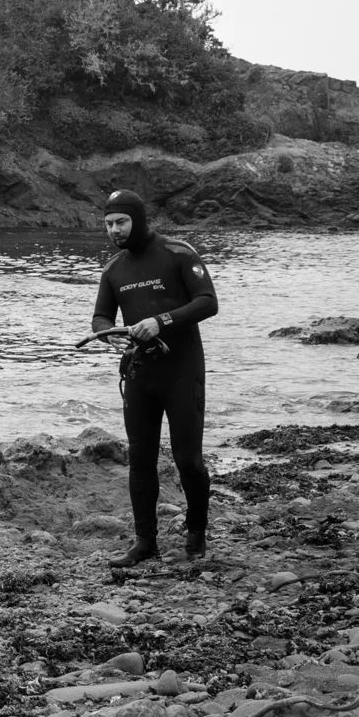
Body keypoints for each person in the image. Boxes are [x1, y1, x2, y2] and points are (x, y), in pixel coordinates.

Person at [90, 189, 218, 565]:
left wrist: (160, 321)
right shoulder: (114, 269)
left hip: (182, 370)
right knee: (140, 459)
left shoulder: (178, 253)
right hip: (139, 373)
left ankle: (196, 534)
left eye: (121, 222)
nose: (114, 230)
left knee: (188, 459)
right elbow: (100, 317)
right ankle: (146, 541)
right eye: (109, 224)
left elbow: (207, 301)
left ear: (139, 219)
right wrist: (111, 333)